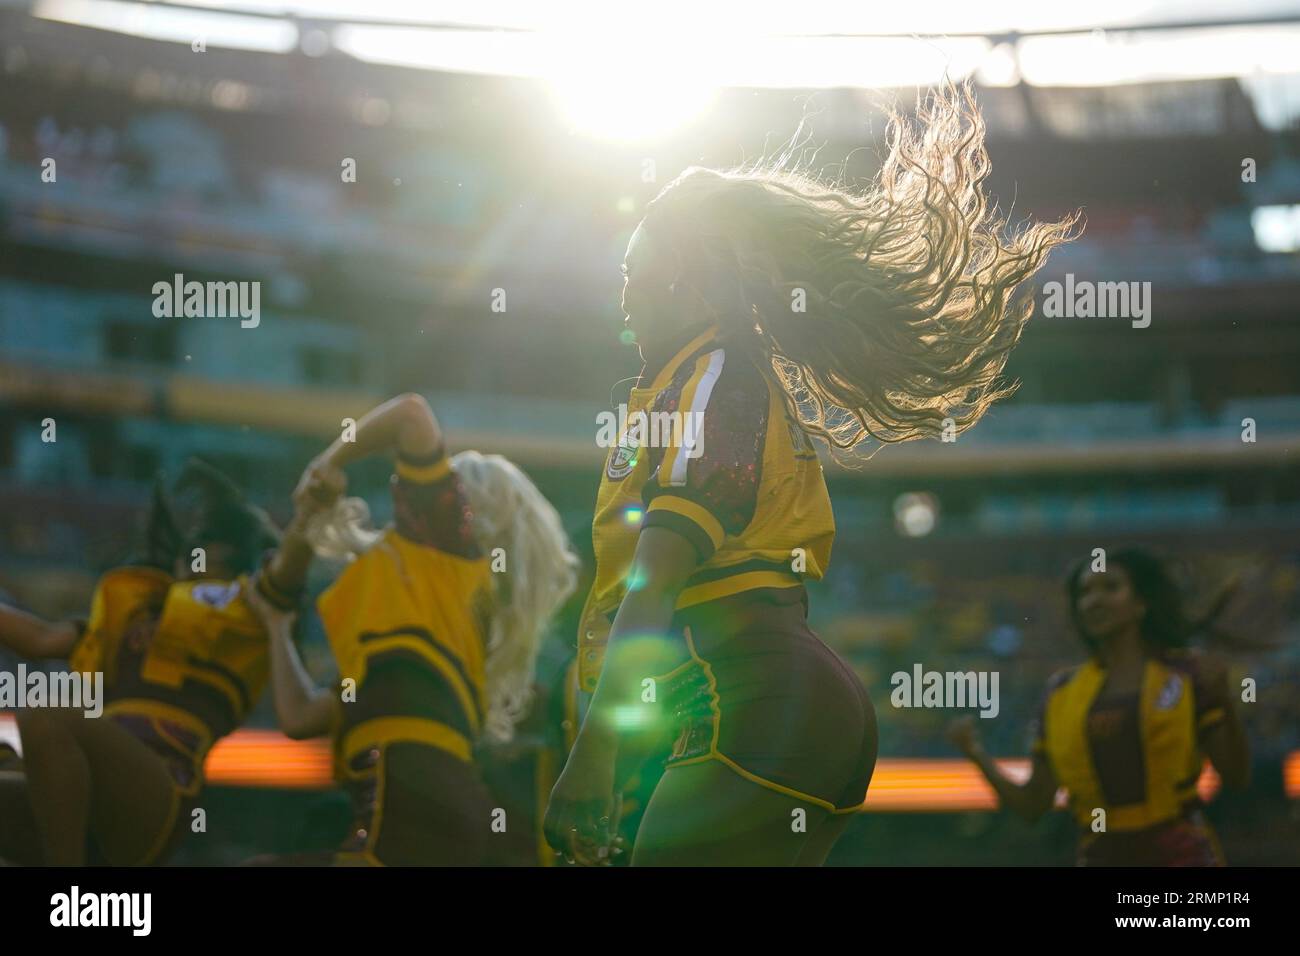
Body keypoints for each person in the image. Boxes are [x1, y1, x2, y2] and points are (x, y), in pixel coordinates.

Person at [546, 82, 1080, 865]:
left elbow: (654, 583)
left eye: (637, 268)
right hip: (781, 704)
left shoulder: (714, 375)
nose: (624, 291)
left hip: (759, 700)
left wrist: (591, 761)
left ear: (687, 276)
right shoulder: (704, 381)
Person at [245, 393, 577, 865]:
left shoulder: (448, 548)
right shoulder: (426, 621)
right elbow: (299, 717)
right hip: (420, 810)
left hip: (406, 806)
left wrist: (326, 462)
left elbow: (411, 414)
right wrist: (277, 627)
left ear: (466, 507)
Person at [0, 462, 280, 865]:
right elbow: (40, 639)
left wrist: (304, 527)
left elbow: (284, 578)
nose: (196, 552)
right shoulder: (134, 616)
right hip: (85, 795)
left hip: (154, 796)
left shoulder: (246, 618)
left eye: (212, 544)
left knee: (44, 716)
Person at [948, 548, 1251, 866]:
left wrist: (1226, 703)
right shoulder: (1061, 695)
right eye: (1085, 592)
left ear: (1140, 603)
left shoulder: (1188, 678)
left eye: (1110, 587)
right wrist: (975, 753)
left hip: (1180, 854)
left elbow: (1236, 777)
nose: (1094, 600)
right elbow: (1032, 806)